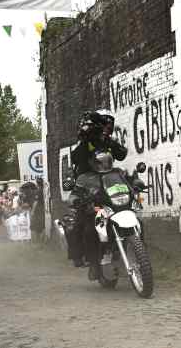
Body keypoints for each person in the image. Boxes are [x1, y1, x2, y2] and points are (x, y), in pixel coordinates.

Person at [68, 109, 128, 279]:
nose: (107, 127)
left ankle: (134, 249)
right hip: (89, 188)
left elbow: (122, 154)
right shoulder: (85, 144)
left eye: (110, 124)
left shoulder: (107, 142)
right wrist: (86, 140)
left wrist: (108, 140)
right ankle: (93, 264)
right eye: (105, 124)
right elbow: (76, 158)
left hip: (109, 183)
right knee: (88, 228)